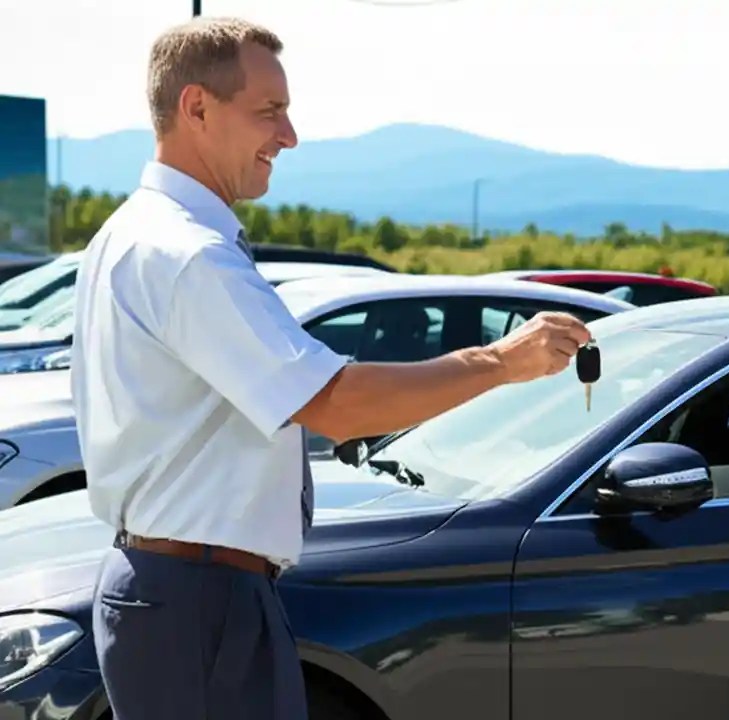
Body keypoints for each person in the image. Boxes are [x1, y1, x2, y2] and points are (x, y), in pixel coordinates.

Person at [70, 17, 590, 720]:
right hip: (203, 602)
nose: (288, 136)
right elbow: (337, 404)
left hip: (186, 593)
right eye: (269, 111)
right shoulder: (189, 254)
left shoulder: (130, 234)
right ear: (196, 107)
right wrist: (501, 361)